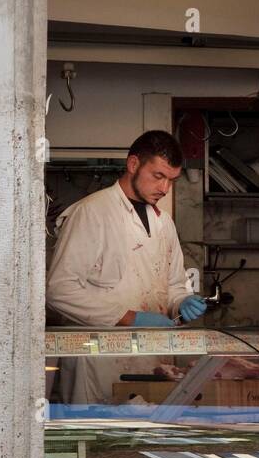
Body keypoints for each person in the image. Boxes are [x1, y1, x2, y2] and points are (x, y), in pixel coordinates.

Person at [46, 130, 206, 329]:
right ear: (133, 164)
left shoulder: (164, 222)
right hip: (100, 354)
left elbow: (174, 285)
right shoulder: (91, 213)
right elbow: (59, 290)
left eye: (171, 180)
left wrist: (181, 302)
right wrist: (130, 318)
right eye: (158, 176)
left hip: (153, 352)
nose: (165, 188)